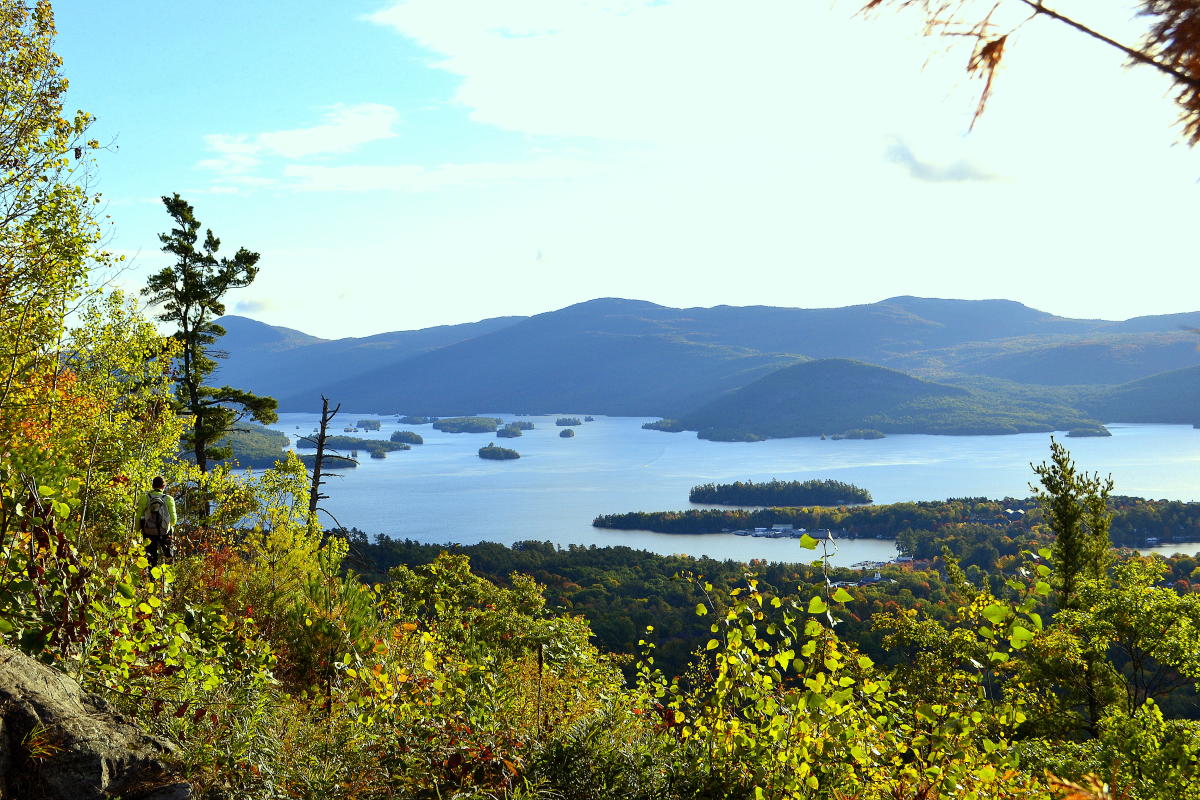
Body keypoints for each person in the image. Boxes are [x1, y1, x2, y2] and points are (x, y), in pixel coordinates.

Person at [135, 476, 177, 567]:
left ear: (153, 486)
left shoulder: (145, 498)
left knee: (151, 557)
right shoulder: (169, 499)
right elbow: (173, 520)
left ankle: (151, 574)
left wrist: (137, 531)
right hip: (165, 532)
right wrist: (167, 526)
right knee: (168, 556)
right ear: (164, 486)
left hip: (148, 532)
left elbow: (138, 517)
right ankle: (169, 573)